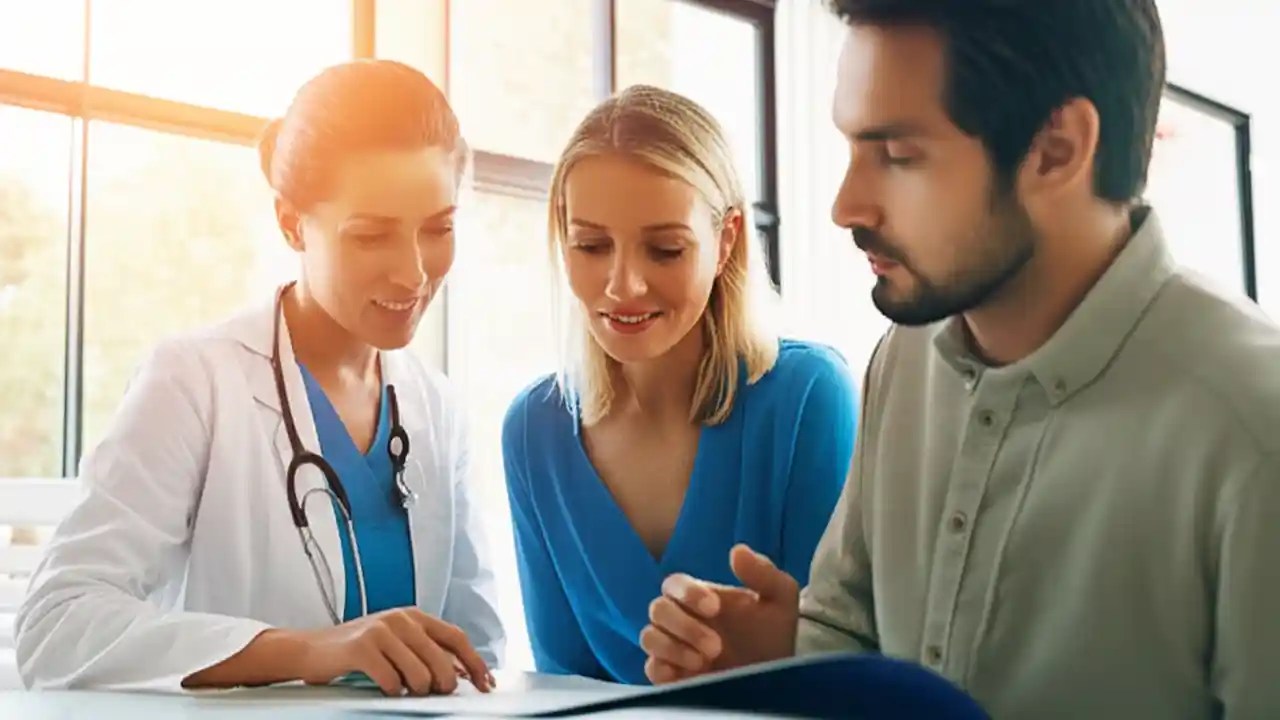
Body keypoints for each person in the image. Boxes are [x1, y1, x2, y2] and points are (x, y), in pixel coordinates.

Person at [641, 0, 1280, 717]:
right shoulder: (904, 360)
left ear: (1057, 148)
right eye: (852, 147)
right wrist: (781, 664)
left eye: (899, 155)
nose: (847, 205)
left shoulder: (1255, 427)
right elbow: (851, 631)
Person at [15, 59, 504, 697]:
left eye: (438, 229)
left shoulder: (435, 407)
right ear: (292, 222)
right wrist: (309, 651)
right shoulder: (195, 381)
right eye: (371, 236)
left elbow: (478, 649)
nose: (414, 273)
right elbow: (56, 626)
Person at [501, 84, 858, 685]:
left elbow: (847, 664)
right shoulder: (535, 430)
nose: (623, 286)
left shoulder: (808, 400)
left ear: (726, 241)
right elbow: (562, 685)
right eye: (591, 246)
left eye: (664, 250)